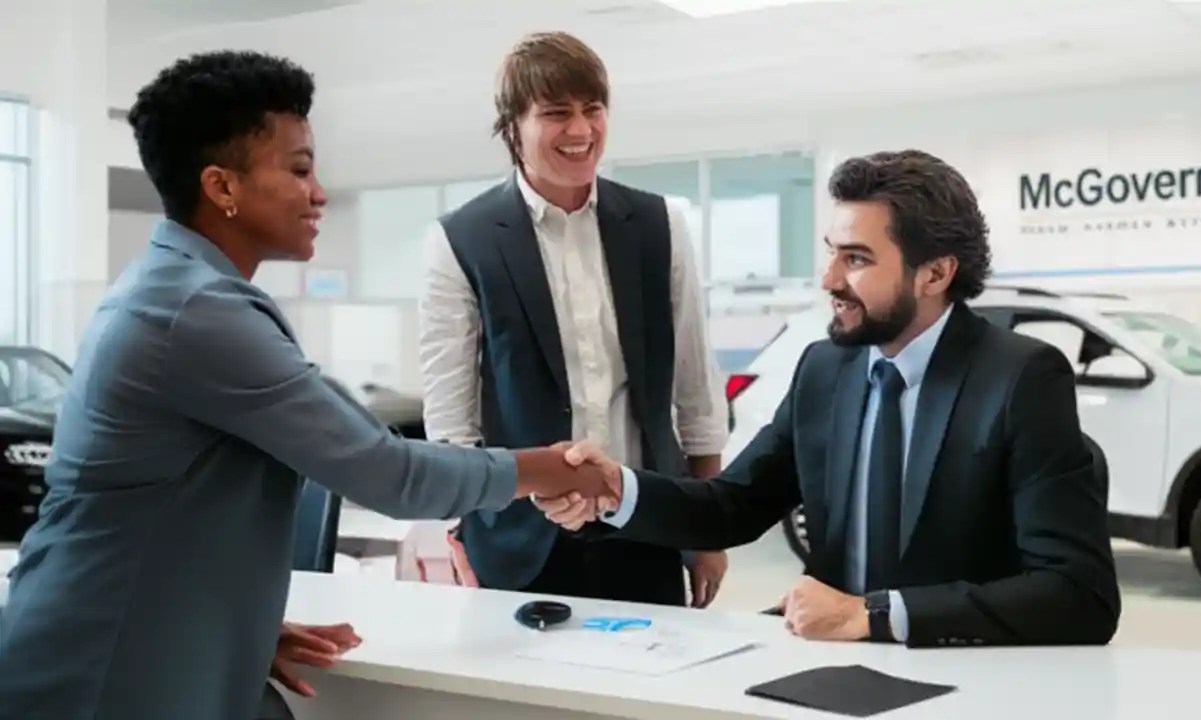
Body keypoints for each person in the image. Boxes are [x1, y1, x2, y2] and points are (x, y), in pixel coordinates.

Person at [0, 50, 612, 720]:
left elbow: (176, 507)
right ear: (221, 187)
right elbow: (390, 474)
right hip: (99, 668)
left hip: (125, 642)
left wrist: (235, 627)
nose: (318, 192)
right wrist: (551, 469)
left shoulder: (178, 290)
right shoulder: (197, 313)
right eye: (298, 169)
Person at [537, 149, 1122, 648]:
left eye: (857, 259)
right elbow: (733, 505)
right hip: (827, 662)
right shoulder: (826, 368)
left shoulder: (1021, 378)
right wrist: (617, 490)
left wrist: (871, 616)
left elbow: (1078, 593)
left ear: (936, 273)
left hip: (952, 669)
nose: (829, 279)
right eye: (832, 251)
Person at [417, 31, 730, 608]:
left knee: (649, 692)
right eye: (557, 113)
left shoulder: (659, 225)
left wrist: (705, 529)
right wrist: (462, 529)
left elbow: (695, 387)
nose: (582, 130)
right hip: (516, 540)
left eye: (593, 110)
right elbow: (451, 420)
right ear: (513, 126)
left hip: (648, 525)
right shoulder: (462, 241)